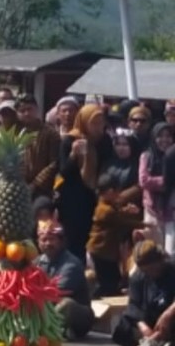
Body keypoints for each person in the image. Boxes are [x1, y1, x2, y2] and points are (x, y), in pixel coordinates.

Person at [56, 103, 110, 259]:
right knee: (74, 240)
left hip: (95, 196)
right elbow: (64, 172)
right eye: (94, 123)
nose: (98, 127)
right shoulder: (70, 140)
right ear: (84, 121)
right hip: (73, 198)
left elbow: (106, 166)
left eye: (101, 122)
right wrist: (74, 155)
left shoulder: (104, 141)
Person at [112, 241, 175, 346]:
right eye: (146, 270)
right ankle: (158, 345)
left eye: (152, 268)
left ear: (160, 260)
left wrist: (168, 315)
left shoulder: (172, 268)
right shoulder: (138, 277)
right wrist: (142, 326)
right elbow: (133, 305)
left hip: (170, 318)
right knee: (120, 325)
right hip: (151, 321)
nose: (150, 273)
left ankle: (157, 343)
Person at [87, 175, 145, 298]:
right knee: (108, 282)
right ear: (110, 192)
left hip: (107, 252)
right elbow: (121, 220)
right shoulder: (104, 210)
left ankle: (110, 294)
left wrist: (126, 210)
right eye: (117, 192)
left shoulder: (107, 204)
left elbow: (118, 212)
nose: (119, 194)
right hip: (100, 251)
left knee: (114, 278)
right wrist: (144, 224)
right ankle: (97, 298)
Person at [37, 222, 94, 339]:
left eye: (52, 239)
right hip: (44, 308)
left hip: (77, 316)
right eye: (44, 240)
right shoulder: (36, 262)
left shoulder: (72, 263)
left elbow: (57, 292)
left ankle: (43, 330)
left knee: (67, 304)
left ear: (61, 241)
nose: (47, 243)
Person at [15, 94, 61, 199]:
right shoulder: (19, 134)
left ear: (37, 109)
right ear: (17, 114)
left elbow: (54, 163)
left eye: (29, 109)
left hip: (43, 190)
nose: (27, 113)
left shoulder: (50, 133)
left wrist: (35, 185)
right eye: (22, 111)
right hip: (21, 188)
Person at [139, 122, 175, 254]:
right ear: (154, 137)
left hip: (171, 211)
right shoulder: (147, 156)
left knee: (170, 252)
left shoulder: (173, 156)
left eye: (168, 136)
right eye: (160, 136)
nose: (164, 140)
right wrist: (166, 181)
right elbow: (144, 180)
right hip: (152, 210)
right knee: (154, 251)